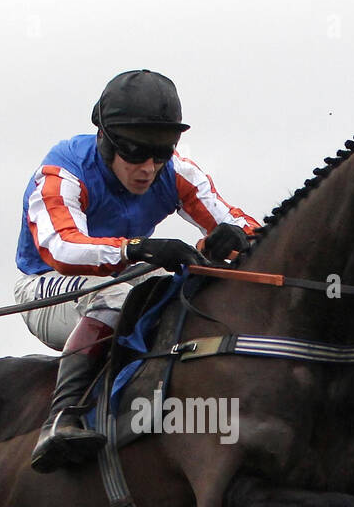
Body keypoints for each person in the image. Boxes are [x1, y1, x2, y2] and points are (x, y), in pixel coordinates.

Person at [15, 69, 260, 472]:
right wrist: (139, 249)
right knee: (117, 294)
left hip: (124, 276)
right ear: (105, 141)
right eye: (135, 153)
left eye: (161, 153)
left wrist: (234, 237)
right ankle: (62, 417)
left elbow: (235, 221)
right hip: (47, 286)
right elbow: (61, 246)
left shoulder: (175, 172)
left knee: (190, 285)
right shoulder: (63, 171)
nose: (148, 167)